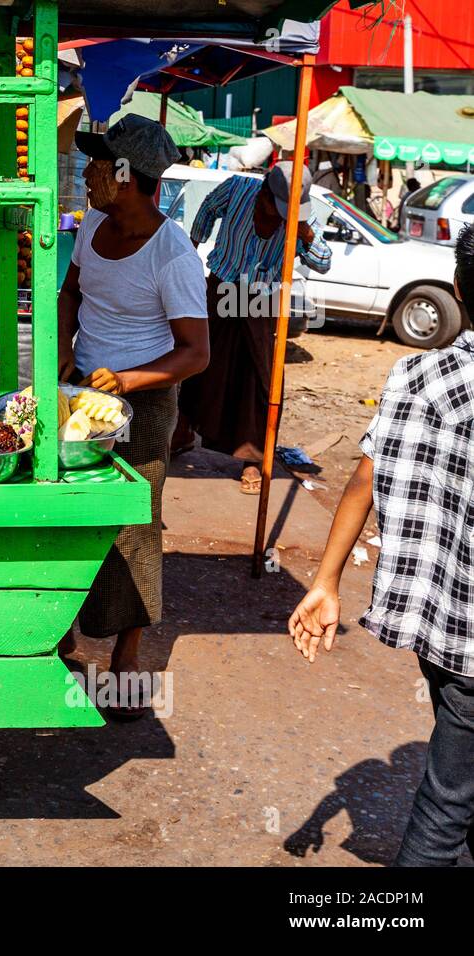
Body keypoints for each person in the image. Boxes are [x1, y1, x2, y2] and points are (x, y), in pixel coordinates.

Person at [289, 223, 474, 866]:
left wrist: (326, 581)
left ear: (458, 289)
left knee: (462, 779)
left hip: (434, 627)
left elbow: (365, 476)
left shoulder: (413, 372)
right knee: (447, 805)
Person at [57, 114, 209, 715]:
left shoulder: (172, 255)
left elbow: (196, 353)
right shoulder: (92, 222)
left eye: (97, 164)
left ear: (125, 174)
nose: (87, 172)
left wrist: (126, 380)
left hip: (143, 403)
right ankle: (61, 632)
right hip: (82, 388)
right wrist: (66, 353)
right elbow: (72, 291)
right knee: (69, 511)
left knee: (135, 525)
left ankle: (127, 657)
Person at [175, 163, 332, 493]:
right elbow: (207, 210)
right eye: (277, 207)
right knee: (198, 363)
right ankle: (184, 430)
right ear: (263, 194)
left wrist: (304, 232)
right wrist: (193, 245)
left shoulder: (303, 216)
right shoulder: (237, 189)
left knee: (261, 379)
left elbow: (324, 261)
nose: (281, 215)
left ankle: (254, 459)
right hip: (221, 288)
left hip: (263, 298)